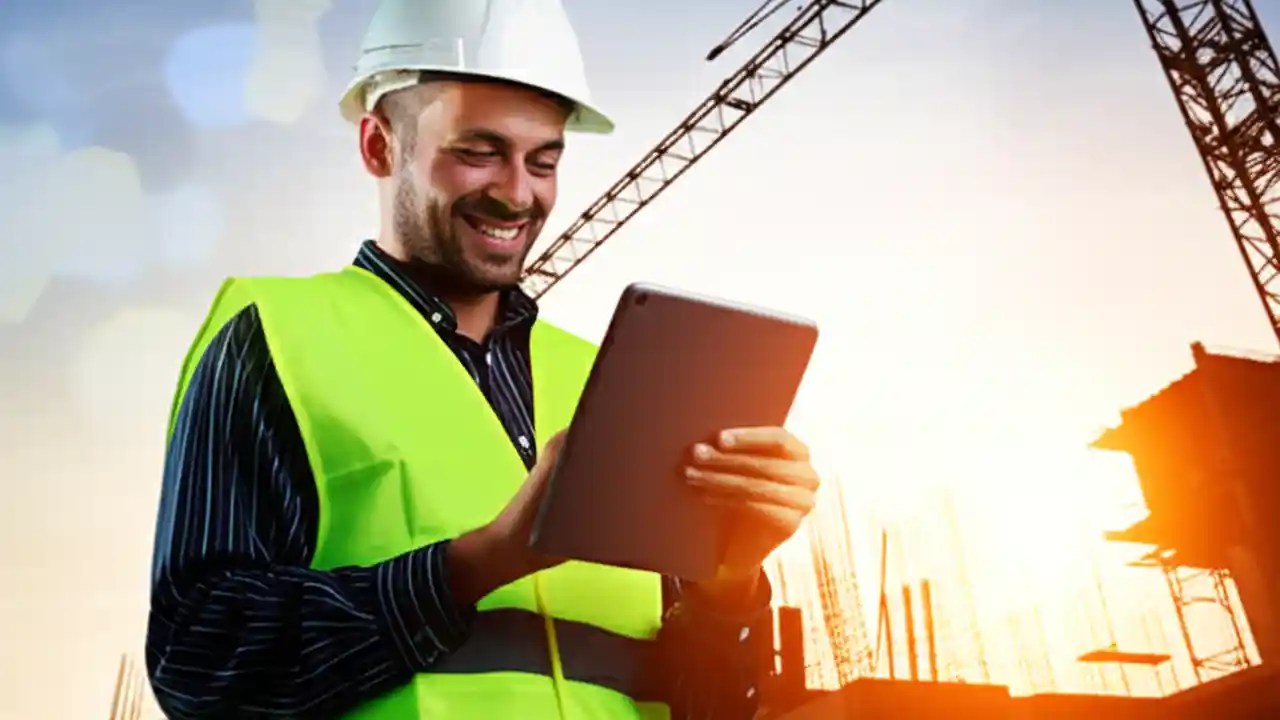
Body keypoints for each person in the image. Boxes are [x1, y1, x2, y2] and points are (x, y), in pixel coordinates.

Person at [145, 0, 821, 717]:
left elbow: (711, 703)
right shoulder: (279, 336)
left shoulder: (604, 381)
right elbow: (197, 659)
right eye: (477, 152)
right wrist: (482, 563)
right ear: (379, 147)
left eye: (544, 161)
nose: (516, 193)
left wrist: (729, 580)